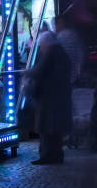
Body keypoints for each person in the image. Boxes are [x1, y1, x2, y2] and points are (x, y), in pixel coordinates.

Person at [24, 30, 72, 165]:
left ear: (46, 44)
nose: (41, 48)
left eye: (41, 45)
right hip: (59, 97)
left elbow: (40, 70)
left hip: (49, 98)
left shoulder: (52, 52)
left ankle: (47, 155)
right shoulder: (61, 53)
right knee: (55, 130)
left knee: (47, 128)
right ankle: (56, 155)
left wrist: (27, 73)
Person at [56, 14, 85, 84]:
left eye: (58, 23)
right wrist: (79, 71)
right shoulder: (74, 34)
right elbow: (81, 53)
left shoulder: (60, 36)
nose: (57, 26)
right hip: (74, 74)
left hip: (65, 74)